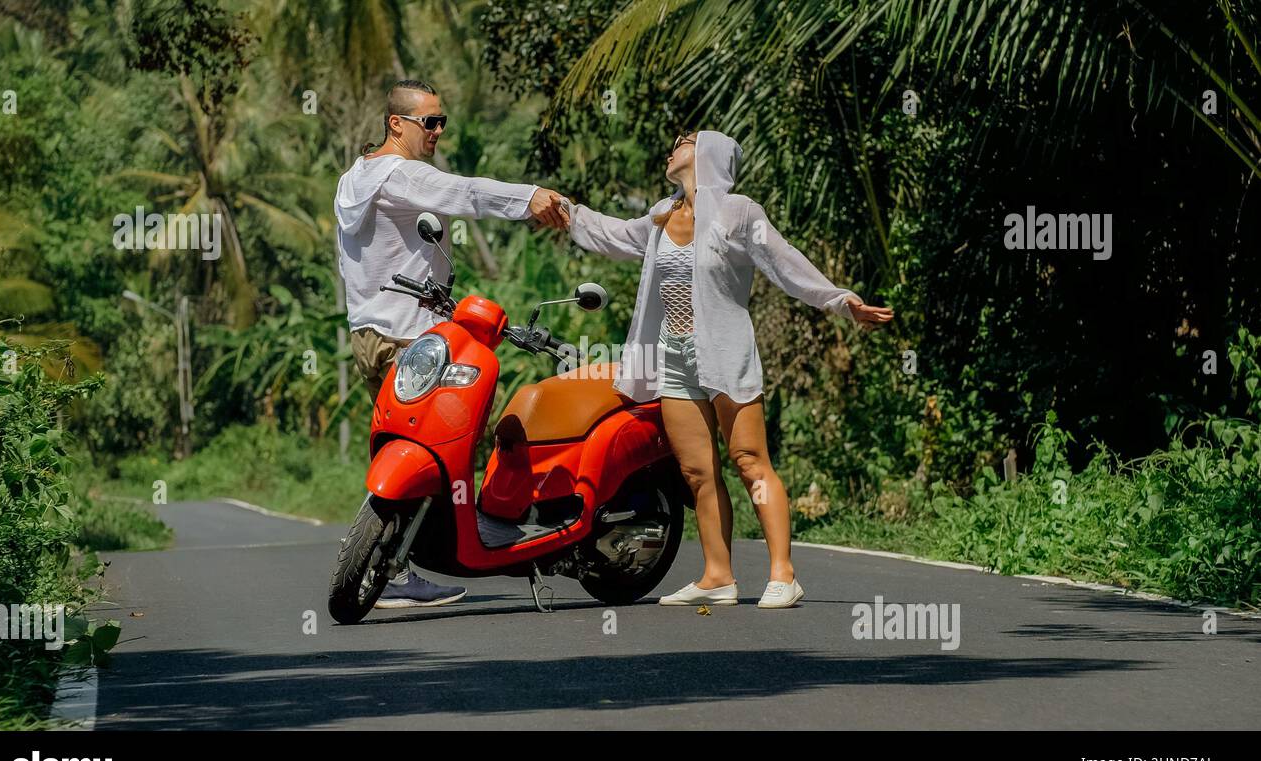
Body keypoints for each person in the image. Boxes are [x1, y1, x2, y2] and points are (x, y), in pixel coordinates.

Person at [565, 130, 893, 608]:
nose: (672, 144)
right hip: (673, 357)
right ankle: (718, 575)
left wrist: (842, 302)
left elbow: (786, 264)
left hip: (724, 350)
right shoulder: (662, 214)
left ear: (710, 153)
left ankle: (783, 572)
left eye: (684, 139)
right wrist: (567, 213)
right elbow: (614, 234)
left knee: (749, 460)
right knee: (697, 472)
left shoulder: (738, 212)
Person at [333, 79, 570, 608]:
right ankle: (483, 530)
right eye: (429, 122)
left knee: (410, 447)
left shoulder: (355, 178)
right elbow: (462, 192)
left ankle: (401, 561)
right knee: (458, 440)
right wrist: (529, 197)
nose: (438, 131)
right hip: (410, 339)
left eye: (442, 122)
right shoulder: (399, 176)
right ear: (397, 124)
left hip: (369, 334)